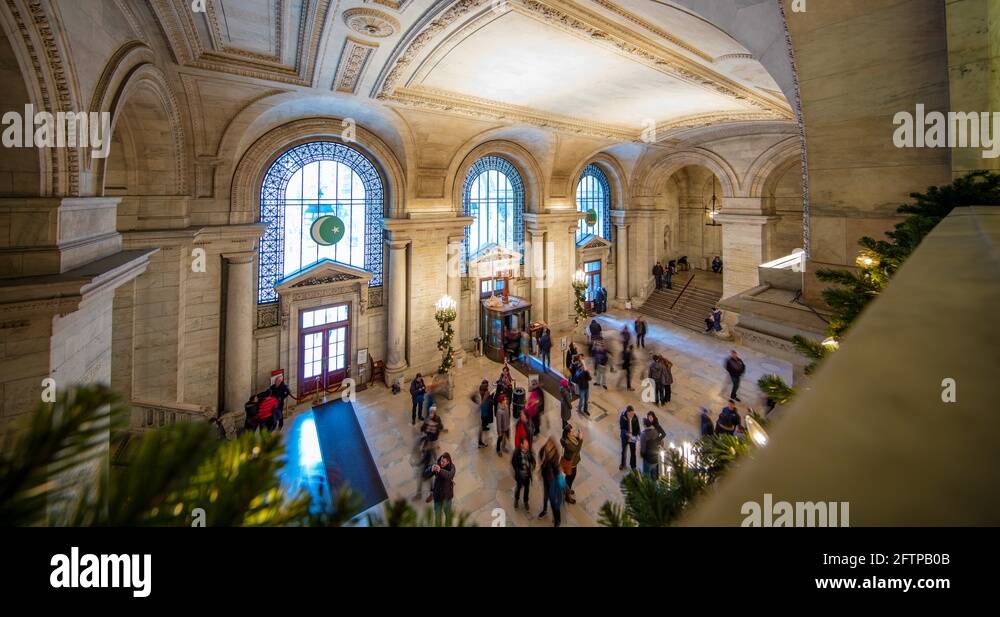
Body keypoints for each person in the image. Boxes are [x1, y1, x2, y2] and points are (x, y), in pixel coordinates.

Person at [429, 452, 455, 526]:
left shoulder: (452, 468)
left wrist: (440, 470)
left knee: (448, 515)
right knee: (437, 517)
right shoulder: (437, 465)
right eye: (441, 460)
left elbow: (449, 475)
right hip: (437, 497)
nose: (441, 462)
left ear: (448, 462)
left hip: (447, 497)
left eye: (443, 461)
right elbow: (426, 474)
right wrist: (431, 469)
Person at [560, 424, 583, 504]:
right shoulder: (567, 443)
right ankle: (567, 496)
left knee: (569, 477)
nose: (573, 432)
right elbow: (576, 449)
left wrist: (578, 436)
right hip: (571, 463)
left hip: (573, 462)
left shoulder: (569, 438)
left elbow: (575, 441)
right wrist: (581, 439)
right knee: (569, 479)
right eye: (571, 431)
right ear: (568, 433)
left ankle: (566, 489)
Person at [537, 437, 560, 519]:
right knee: (545, 496)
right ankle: (544, 510)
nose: (548, 445)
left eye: (550, 444)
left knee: (552, 498)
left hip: (552, 479)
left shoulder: (555, 455)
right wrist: (541, 463)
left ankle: (556, 517)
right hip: (545, 478)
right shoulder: (544, 449)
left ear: (553, 445)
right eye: (548, 443)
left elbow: (556, 469)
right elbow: (540, 453)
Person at [511, 437, 535, 512]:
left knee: (527, 489)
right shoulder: (516, 452)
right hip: (520, 475)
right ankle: (516, 499)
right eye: (526, 444)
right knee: (518, 488)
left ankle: (526, 501)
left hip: (527, 474)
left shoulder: (529, 451)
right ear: (521, 445)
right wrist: (519, 472)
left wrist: (532, 466)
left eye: (527, 444)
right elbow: (514, 464)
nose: (527, 445)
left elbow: (533, 461)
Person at [618, 405, 640, 471]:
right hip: (625, 437)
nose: (632, 415)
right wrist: (627, 434)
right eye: (631, 413)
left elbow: (638, 428)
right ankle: (623, 464)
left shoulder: (635, 417)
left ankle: (633, 465)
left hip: (633, 437)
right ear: (627, 412)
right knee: (624, 451)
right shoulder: (622, 417)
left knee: (633, 452)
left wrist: (639, 435)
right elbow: (622, 428)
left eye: (633, 413)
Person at [495, 391, 511, 456]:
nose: (506, 400)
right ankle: (498, 449)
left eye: (505, 399)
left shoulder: (506, 406)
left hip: (506, 426)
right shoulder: (499, 411)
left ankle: (503, 447)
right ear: (501, 401)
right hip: (501, 429)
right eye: (504, 399)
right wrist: (499, 432)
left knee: (504, 439)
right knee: (500, 439)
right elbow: (498, 423)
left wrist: (508, 425)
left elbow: (508, 415)